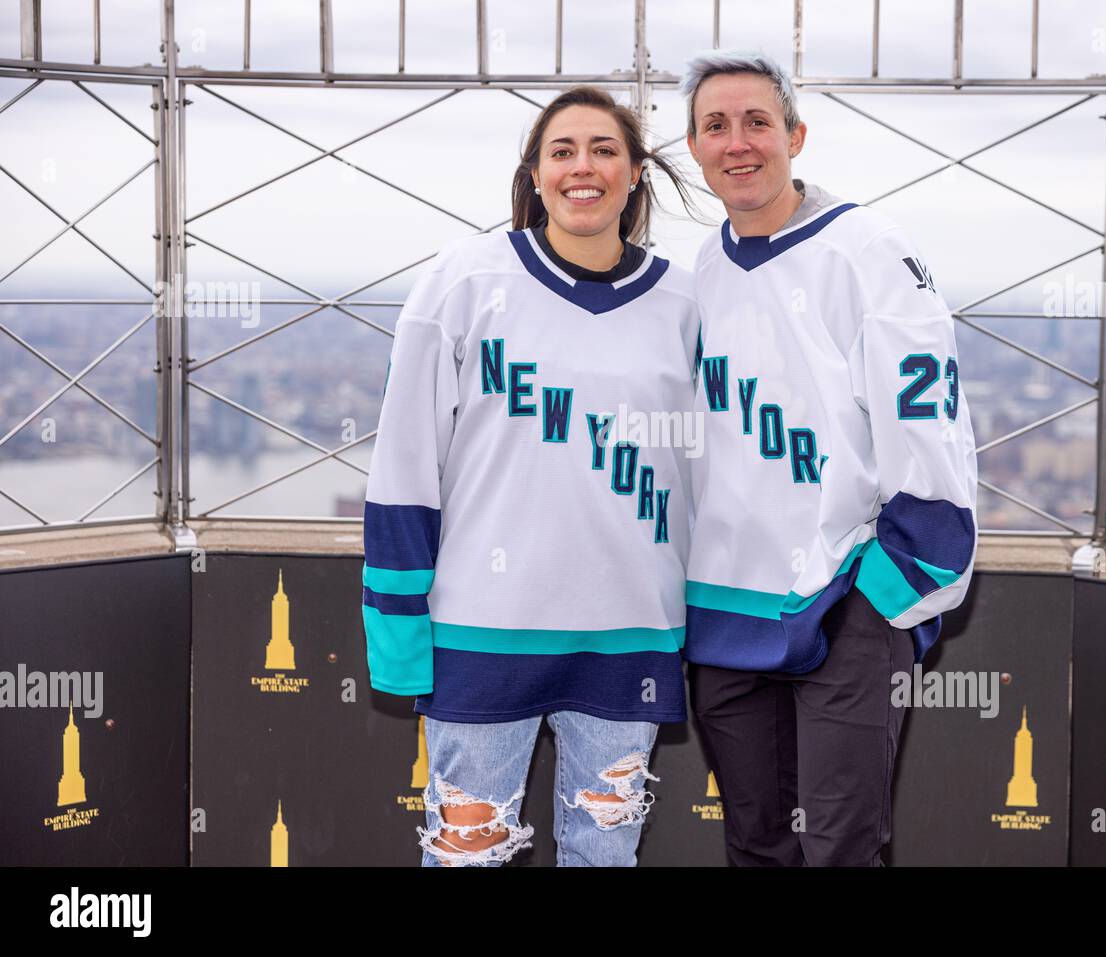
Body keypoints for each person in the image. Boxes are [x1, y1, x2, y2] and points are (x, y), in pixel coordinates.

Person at [361, 86, 701, 866]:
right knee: (464, 856)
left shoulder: (685, 301)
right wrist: (398, 626)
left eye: (605, 149)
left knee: (603, 857)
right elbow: (405, 463)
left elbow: (710, 476)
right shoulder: (462, 281)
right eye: (563, 150)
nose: (584, 166)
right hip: (482, 632)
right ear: (536, 173)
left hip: (629, 636)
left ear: (636, 172)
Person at [678, 50, 979, 866]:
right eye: (715, 126)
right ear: (694, 147)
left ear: (795, 136)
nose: (738, 143)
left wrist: (885, 595)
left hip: (843, 599)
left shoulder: (869, 250)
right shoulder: (702, 269)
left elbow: (930, 424)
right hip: (727, 612)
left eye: (757, 122)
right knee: (757, 844)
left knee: (843, 847)